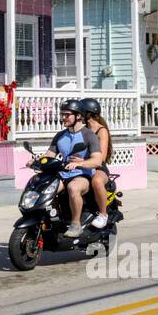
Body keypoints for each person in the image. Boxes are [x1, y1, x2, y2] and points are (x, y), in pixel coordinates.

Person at [44, 100, 102, 238]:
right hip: (63, 174)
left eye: (67, 115)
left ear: (79, 116)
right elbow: (49, 155)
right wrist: (36, 161)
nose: (63, 117)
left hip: (82, 175)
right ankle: (50, 219)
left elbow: (97, 160)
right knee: (46, 188)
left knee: (73, 188)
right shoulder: (60, 135)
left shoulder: (89, 135)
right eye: (62, 114)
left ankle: (75, 224)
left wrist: (80, 164)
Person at [73, 98, 113, 228]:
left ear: (89, 114)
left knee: (96, 181)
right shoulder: (83, 130)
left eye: (81, 112)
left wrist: (83, 162)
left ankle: (103, 214)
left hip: (98, 167)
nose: (79, 115)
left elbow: (101, 157)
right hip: (83, 165)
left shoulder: (101, 130)